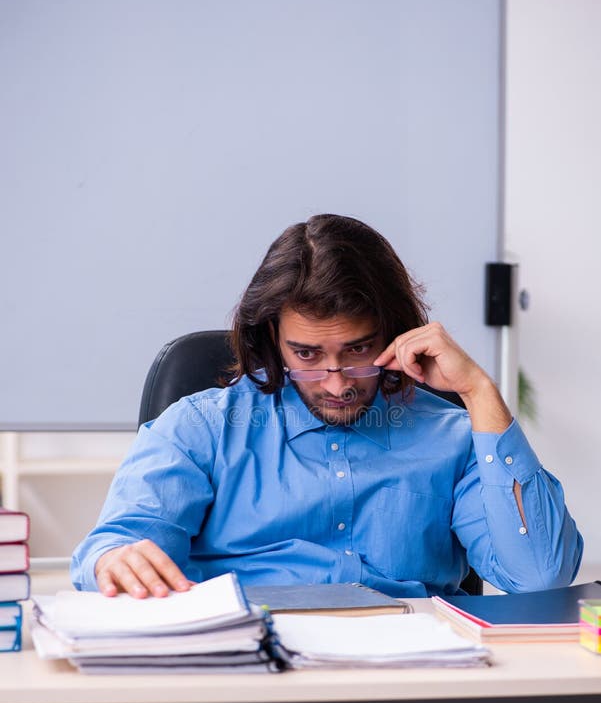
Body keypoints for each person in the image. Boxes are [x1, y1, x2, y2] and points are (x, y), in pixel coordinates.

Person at [71, 214, 583, 599]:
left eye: (358, 349)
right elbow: (110, 550)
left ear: (396, 332)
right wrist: (114, 560)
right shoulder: (199, 429)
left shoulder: (453, 436)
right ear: (272, 337)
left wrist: (479, 393)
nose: (336, 383)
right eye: (307, 354)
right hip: (243, 679)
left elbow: (540, 576)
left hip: (412, 688)